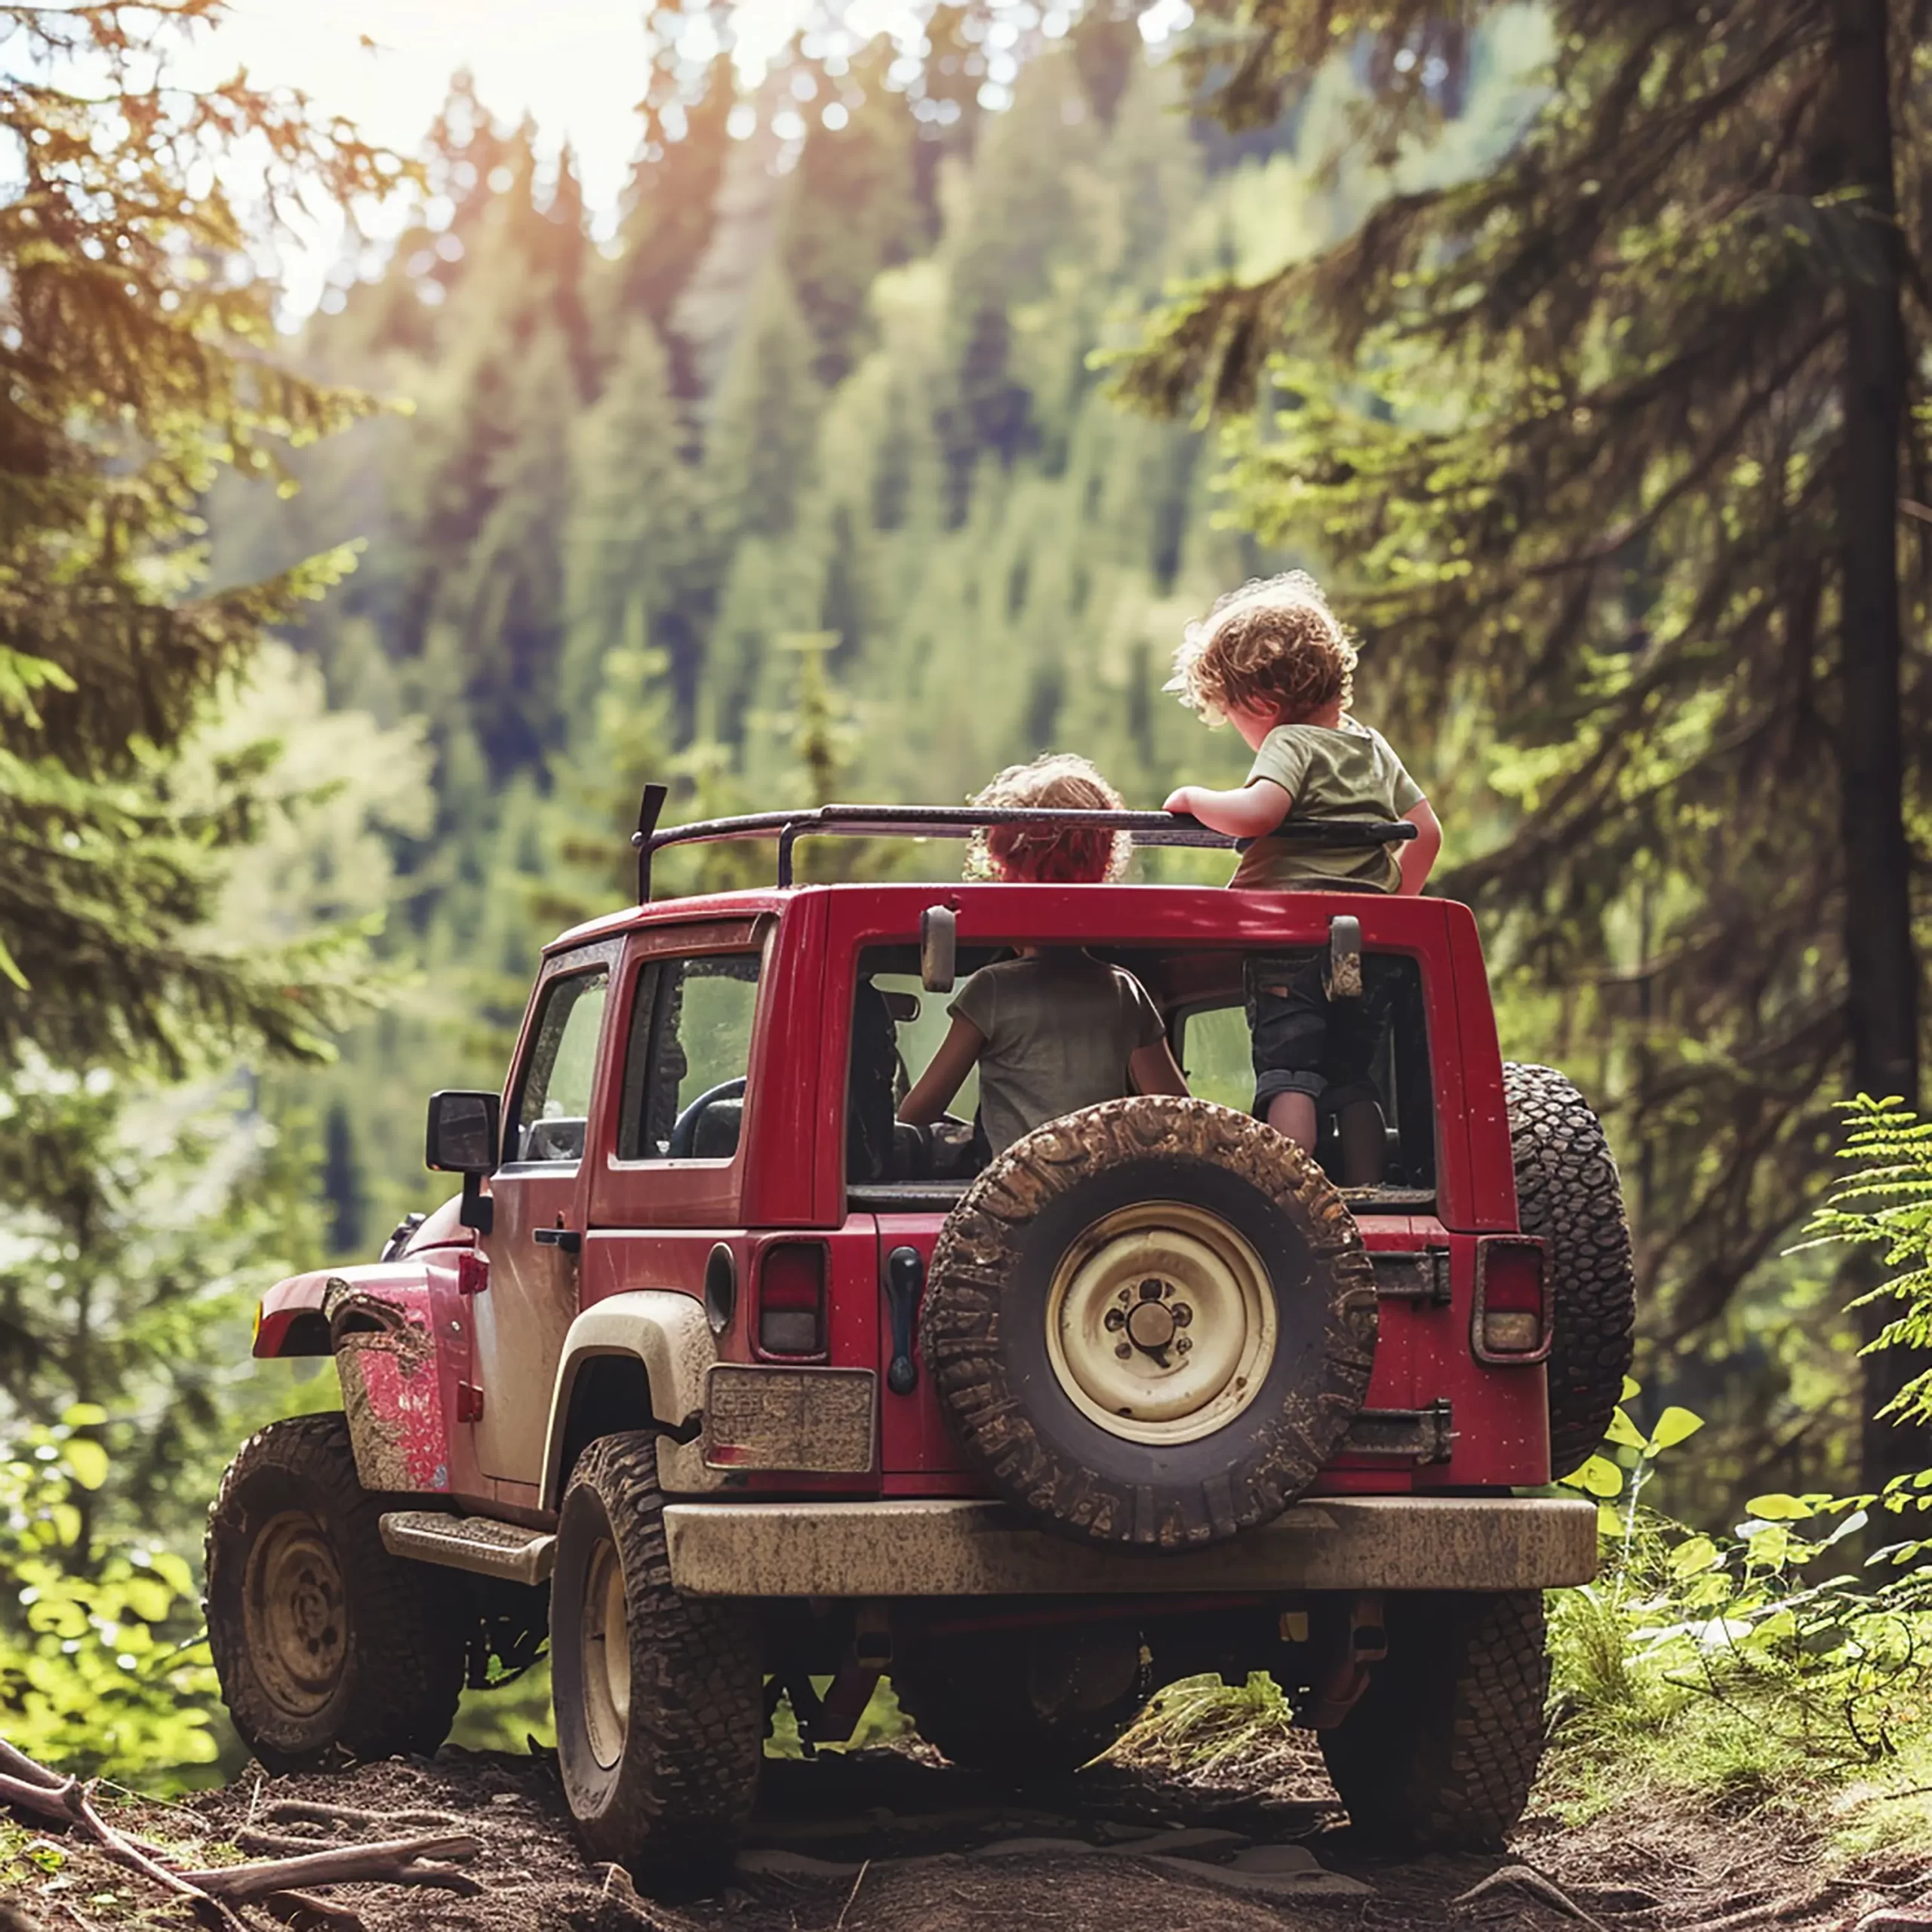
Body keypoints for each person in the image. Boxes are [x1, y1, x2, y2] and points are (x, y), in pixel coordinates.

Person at [1161, 571, 1441, 1180]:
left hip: (1290, 942)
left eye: (1235, 715)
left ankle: (1290, 1187)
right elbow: (1426, 833)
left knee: (1290, 1070)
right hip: (1363, 946)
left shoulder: (1290, 742)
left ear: (1260, 705)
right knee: (1351, 1073)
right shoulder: (1371, 747)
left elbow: (1261, 812)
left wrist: (1195, 798)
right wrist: (1391, 908)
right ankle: (1366, 1189)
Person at [897, 753, 1189, 1155]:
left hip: (1016, 1199)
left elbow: (920, 1111)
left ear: (1011, 878)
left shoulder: (994, 990)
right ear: (1102, 872)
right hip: (1103, 1195)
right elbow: (1177, 1113)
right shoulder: (1123, 991)